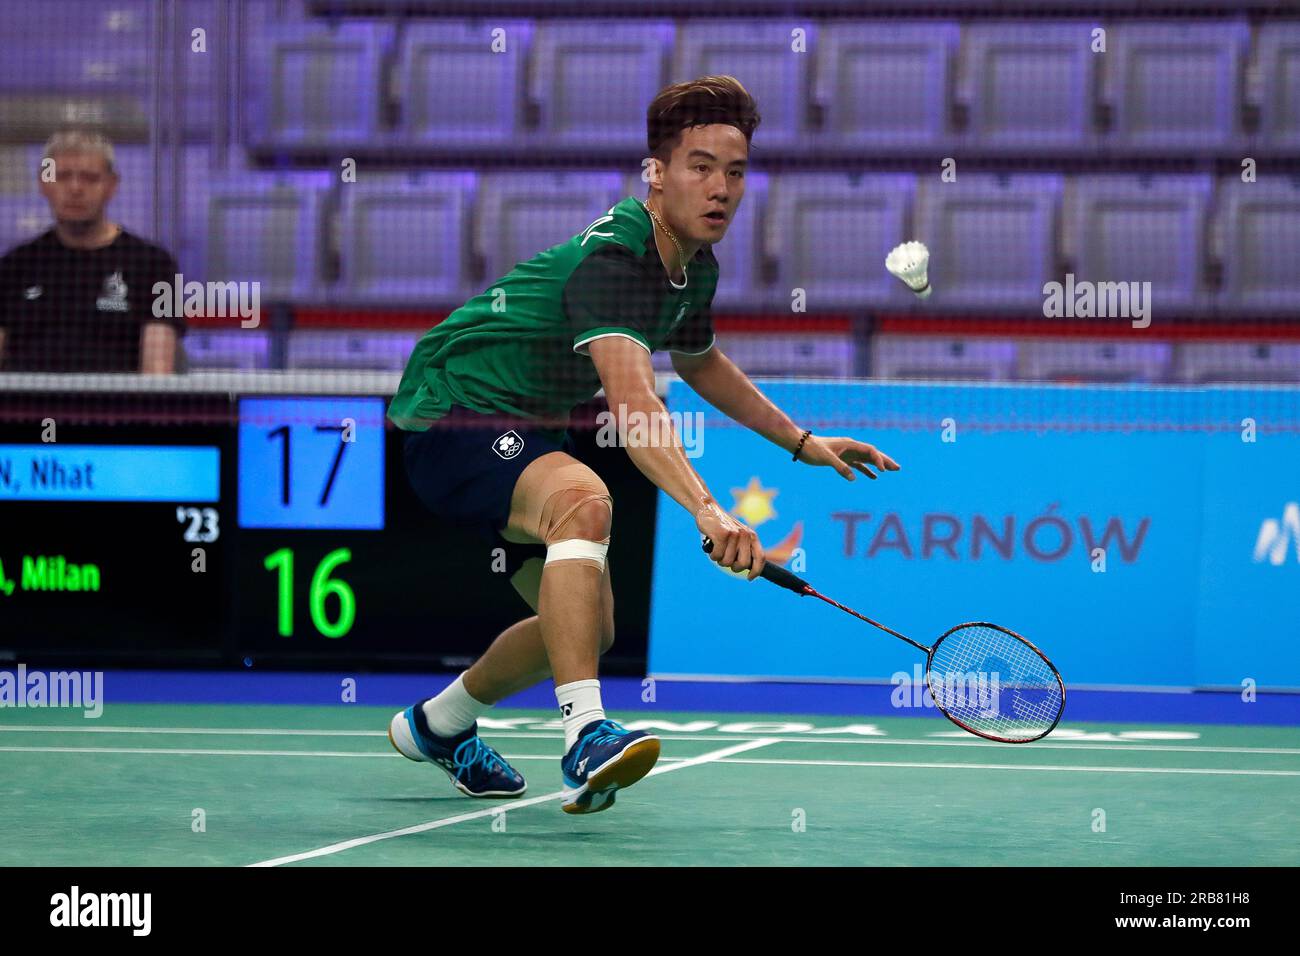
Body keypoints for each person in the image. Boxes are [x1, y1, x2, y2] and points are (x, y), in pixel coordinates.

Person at [386, 75, 900, 815]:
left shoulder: (691, 269)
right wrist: (710, 512)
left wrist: (802, 441)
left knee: (589, 625)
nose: (721, 188)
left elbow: (699, 363)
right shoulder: (617, 265)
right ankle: (585, 733)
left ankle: (438, 725)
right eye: (700, 166)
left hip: (528, 424)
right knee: (583, 501)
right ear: (656, 175)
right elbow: (635, 410)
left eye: (736, 171)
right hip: (453, 413)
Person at [0, 131, 183, 373]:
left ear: (111, 185)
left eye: (90, 178)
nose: (75, 189)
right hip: (30, 409)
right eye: (62, 177)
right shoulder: (15, 265)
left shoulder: (154, 266)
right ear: (44, 184)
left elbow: (157, 375)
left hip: (115, 409)